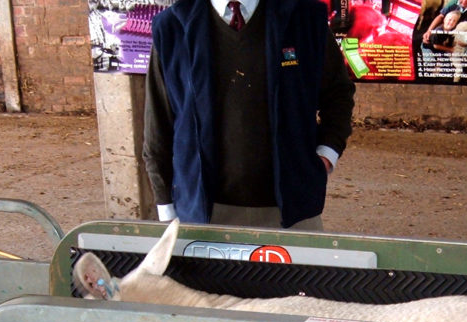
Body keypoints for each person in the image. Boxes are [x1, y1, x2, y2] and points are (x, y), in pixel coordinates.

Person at [142, 0, 356, 230]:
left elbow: (338, 94)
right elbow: (158, 128)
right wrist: (167, 210)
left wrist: (327, 153)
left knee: (298, 267)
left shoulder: (304, 17)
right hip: (204, 216)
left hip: (293, 212)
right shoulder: (172, 27)